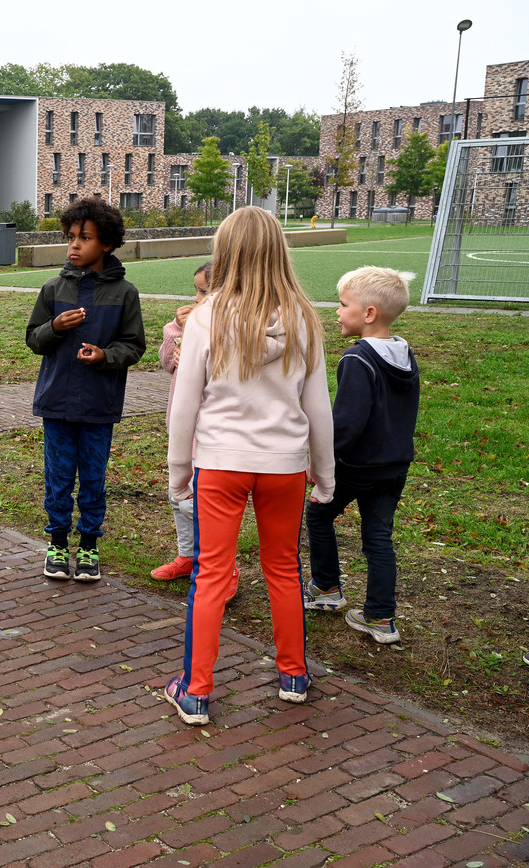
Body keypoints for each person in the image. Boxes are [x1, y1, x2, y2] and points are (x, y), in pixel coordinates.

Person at [161, 206, 334, 726]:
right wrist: (324, 474)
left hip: (221, 464)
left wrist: (178, 470)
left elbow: (185, 403)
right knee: (283, 568)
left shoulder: (208, 316)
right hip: (283, 465)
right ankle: (294, 675)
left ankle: (194, 691)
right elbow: (319, 405)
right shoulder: (304, 316)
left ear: (225, 253)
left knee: (211, 574)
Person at [24, 198, 146, 582]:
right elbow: (33, 339)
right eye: (71, 237)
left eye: (85, 238)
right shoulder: (52, 288)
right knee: (58, 478)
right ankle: (57, 543)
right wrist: (55, 328)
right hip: (57, 405)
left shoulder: (125, 293)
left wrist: (105, 355)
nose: (74, 245)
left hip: (98, 406)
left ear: (106, 243)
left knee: (93, 480)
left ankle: (90, 546)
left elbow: (134, 345)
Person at [304, 266, 420, 645]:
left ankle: (325, 589)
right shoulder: (405, 354)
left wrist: (320, 464)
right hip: (395, 466)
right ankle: (381, 617)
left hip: (357, 466)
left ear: (368, 313)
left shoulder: (357, 360)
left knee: (319, 514)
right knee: (378, 538)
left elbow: (347, 423)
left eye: (342, 305)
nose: (336, 312)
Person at [150, 262, 211, 582]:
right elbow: (166, 364)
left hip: (210, 434)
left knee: (201, 503)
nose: (195, 298)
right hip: (181, 429)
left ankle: (218, 565)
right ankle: (187, 556)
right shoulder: (189, 325)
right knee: (178, 495)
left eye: (203, 291)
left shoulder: (224, 330)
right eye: (196, 290)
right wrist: (175, 329)